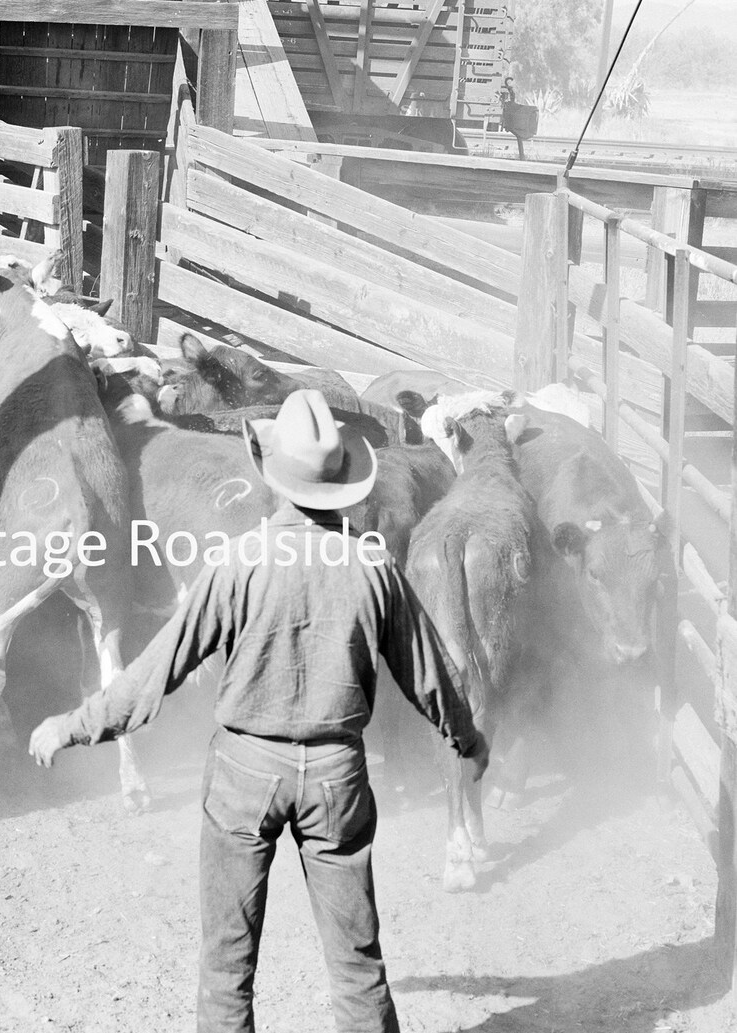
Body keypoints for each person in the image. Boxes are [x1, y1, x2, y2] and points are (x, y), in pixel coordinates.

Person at [29, 389, 486, 1033]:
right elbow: (432, 676)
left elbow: (155, 673)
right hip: (336, 775)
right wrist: (467, 739)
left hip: (244, 771)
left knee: (226, 966)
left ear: (270, 476)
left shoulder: (236, 563)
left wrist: (72, 726)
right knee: (357, 965)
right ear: (343, 485)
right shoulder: (373, 567)